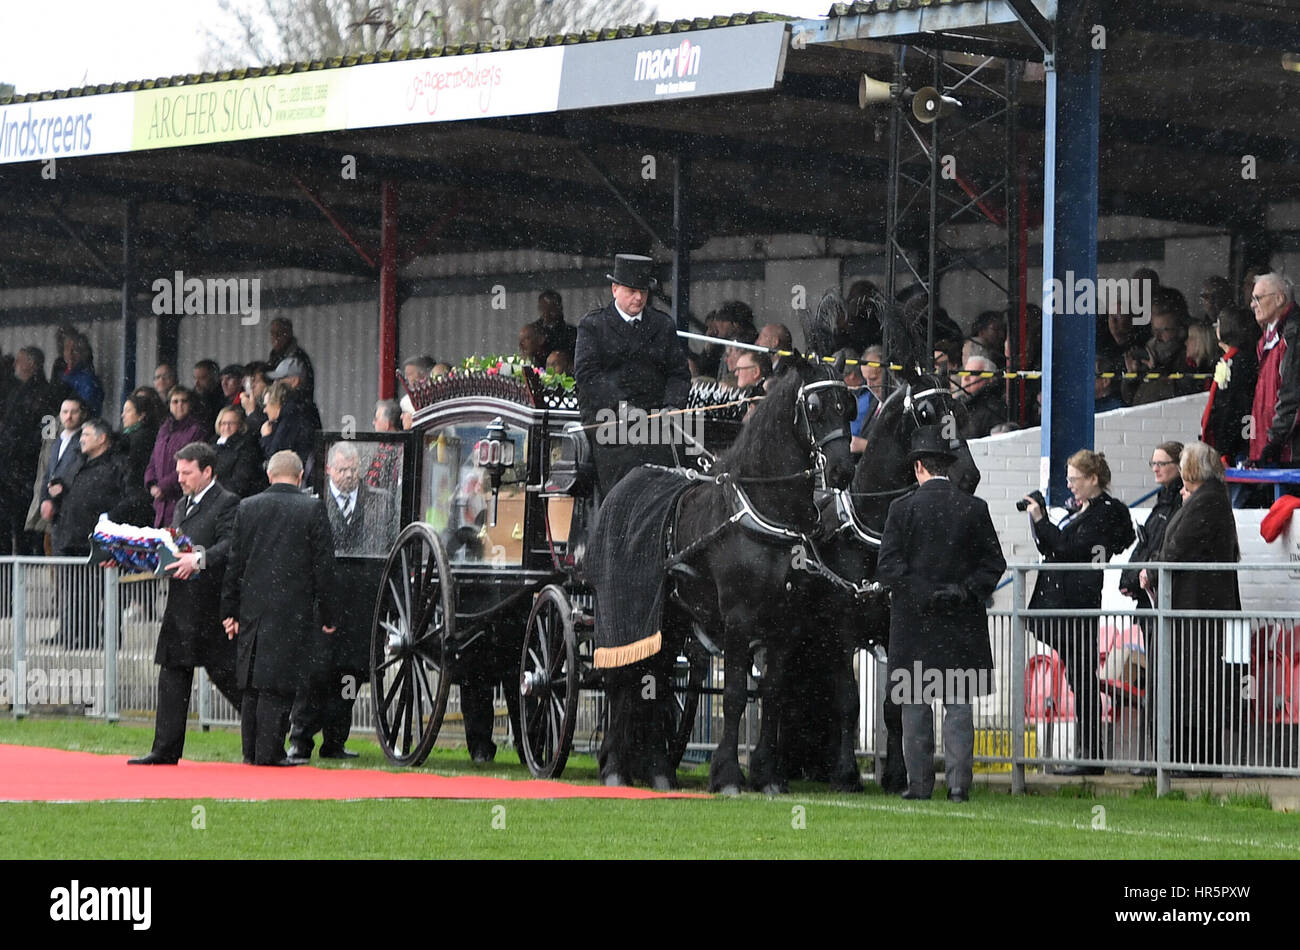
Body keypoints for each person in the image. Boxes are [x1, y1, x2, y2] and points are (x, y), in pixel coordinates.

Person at [876, 426, 1006, 802]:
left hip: (914, 625)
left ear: (918, 467)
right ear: (946, 466)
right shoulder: (974, 507)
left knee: (915, 710)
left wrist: (924, 593)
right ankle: (958, 787)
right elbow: (993, 564)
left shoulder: (900, 510)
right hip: (961, 623)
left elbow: (889, 567)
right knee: (958, 709)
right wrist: (961, 591)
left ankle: (919, 786)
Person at [128, 442, 244, 764]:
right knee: (172, 674)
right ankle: (164, 750)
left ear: (207, 471)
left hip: (212, 605)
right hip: (181, 604)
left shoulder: (227, 502)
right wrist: (132, 557)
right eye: (178, 472)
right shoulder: (182, 505)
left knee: (230, 677)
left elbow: (231, 544)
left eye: (186, 472)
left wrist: (199, 559)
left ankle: (266, 737)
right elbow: (173, 547)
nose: (179, 478)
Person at [220, 450, 337, 766]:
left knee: (252, 683)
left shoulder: (248, 507)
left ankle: (251, 752)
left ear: (270, 476)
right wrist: (328, 613)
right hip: (292, 608)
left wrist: (229, 611)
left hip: (253, 608)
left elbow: (234, 564)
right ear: (300, 477)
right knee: (279, 683)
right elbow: (324, 568)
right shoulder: (312, 508)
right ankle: (270, 752)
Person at [1022, 449, 1135, 774]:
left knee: (1083, 676)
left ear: (1093, 479)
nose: (1070, 486)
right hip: (1065, 601)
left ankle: (1091, 756)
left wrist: (1043, 519)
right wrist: (1038, 520)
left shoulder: (1104, 513)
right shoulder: (1083, 510)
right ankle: (1088, 753)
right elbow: (1052, 547)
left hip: (1077, 602)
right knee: (1078, 674)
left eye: (1075, 480)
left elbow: (1069, 550)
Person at [1140, 443, 1241, 772]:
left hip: (1195, 608)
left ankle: (1190, 760)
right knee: (1194, 688)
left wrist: (1151, 568)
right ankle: (1190, 759)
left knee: (1193, 688)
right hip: (1195, 606)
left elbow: (1176, 549)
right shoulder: (1208, 499)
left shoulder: (1206, 502)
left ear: (1192, 470)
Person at [289, 442, 393, 760]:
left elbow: (388, 544)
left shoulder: (381, 502)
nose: (349, 476)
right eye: (343, 470)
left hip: (363, 601)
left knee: (351, 674)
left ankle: (335, 740)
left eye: (353, 470)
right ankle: (301, 740)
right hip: (322, 602)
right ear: (329, 470)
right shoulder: (311, 503)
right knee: (315, 675)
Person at [574, 253, 692, 495]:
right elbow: (588, 377)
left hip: (657, 420)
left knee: (675, 467)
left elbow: (679, 374)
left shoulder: (663, 325)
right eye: (631, 291)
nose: (639, 297)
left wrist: (672, 406)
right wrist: (623, 407)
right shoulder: (593, 326)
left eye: (643, 292)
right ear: (614, 289)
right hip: (609, 421)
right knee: (628, 479)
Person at [1118, 441, 1184, 625]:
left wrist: (1134, 576)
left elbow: (1159, 546)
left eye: (1162, 464)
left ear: (1179, 466)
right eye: (1153, 463)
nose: (1155, 469)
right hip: (1150, 593)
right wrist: (1130, 579)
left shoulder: (1179, 502)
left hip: (1160, 595)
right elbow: (1148, 544)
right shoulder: (1163, 500)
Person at [1201, 305, 1260, 500]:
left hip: (1236, 452)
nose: (1215, 327)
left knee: (1235, 505)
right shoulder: (1231, 360)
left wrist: (1231, 449)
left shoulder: (1242, 363)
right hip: (1228, 449)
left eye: (1218, 323)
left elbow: (1241, 410)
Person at [0, 346, 51, 555]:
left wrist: (21, 447)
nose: (16, 365)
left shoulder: (44, 394)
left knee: (24, 524)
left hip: (25, 470)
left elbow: (47, 433)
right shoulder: (18, 391)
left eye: (20, 361)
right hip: (12, 468)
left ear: (32, 364)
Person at [1247, 272, 1300, 468]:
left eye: (1258, 298)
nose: (1252, 304)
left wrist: (1273, 442)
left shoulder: (1293, 334)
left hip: (1289, 455)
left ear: (1279, 299)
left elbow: (1292, 397)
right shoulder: (1267, 339)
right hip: (1271, 452)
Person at [145, 387, 209, 528]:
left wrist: (163, 486)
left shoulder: (196, 429)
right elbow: (153, 460)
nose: (179, 405)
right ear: (169, 405)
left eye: (183, 401)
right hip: (160, 503)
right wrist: (151, 484)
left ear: (190, 404)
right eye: (175, 401)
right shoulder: (163, 428)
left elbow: (192, 463)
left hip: (180, 497)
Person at [38, 397, 87, 530]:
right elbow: (47, 474)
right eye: (65, 412)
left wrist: (62, 491)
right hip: (54, 512)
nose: (68, 416)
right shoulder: (57, 441)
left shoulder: (85, 441)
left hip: (72, 512)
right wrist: (45, 500)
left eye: (74, 412)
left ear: (83, 414)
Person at [212, 406, 267, 498]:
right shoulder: (212, 445)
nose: (226, 427)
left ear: (240, 425)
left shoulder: (246, 447)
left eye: (231, 423)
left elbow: (241, 481)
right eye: (223, 423)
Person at [955, 355, 1008, 439]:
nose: (965, 378)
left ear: (989, 379)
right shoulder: (956, 403)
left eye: (972, 373)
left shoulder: (994, 408)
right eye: (964, 372)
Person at [268, 317, 314, 401]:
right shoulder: (274, 356)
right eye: (272, 334)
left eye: (279, 334)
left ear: (288, 334)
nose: (275, 338)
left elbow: (305, 390)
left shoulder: (298, 359)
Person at [531, 289, 577, 363]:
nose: (546, 313)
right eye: (543, 308)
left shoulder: (571, 333)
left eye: (551, 308)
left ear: (559, 308)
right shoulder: (533, 331)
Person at [192, 359, 226, 428]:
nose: (196, 383)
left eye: (202, 378)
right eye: (195, 378)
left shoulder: (223, 398)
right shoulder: (191, 398)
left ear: (214, 378)